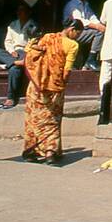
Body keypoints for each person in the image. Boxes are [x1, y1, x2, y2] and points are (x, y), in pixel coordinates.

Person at [21, 18, 82, 165]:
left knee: (33, 119)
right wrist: (62, 82)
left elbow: (29, 51)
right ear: (71, 30)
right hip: (55, 88)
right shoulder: (72, 45)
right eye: (78, 33)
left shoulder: (47, 37)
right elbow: (66, 71)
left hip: (36, 86)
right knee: (52, 120)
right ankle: (50, 153)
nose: (78, 37)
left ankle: (30, 152)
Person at [0, 3, 36, 109]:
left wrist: (24, 52)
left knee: (14, 69)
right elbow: (8, 41)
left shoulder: (33, 25)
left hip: (25, 52)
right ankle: (14, 62)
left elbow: (33, 43)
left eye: (23, 11)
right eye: (18, 11)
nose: (20, 13)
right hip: (14, 53)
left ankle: (10, 98)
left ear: (28, 13)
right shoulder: (13, 24)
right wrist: (11, 51)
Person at [63, 0, 105, 70]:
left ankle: (89, 63)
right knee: (98, 32)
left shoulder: (85, 4)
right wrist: (97, 27)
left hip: (81, 32)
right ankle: (91, 59)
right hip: (71, 33)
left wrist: (100, 25)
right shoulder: (72, 4)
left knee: (102, 31)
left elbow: (92, 17)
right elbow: (80, 21)